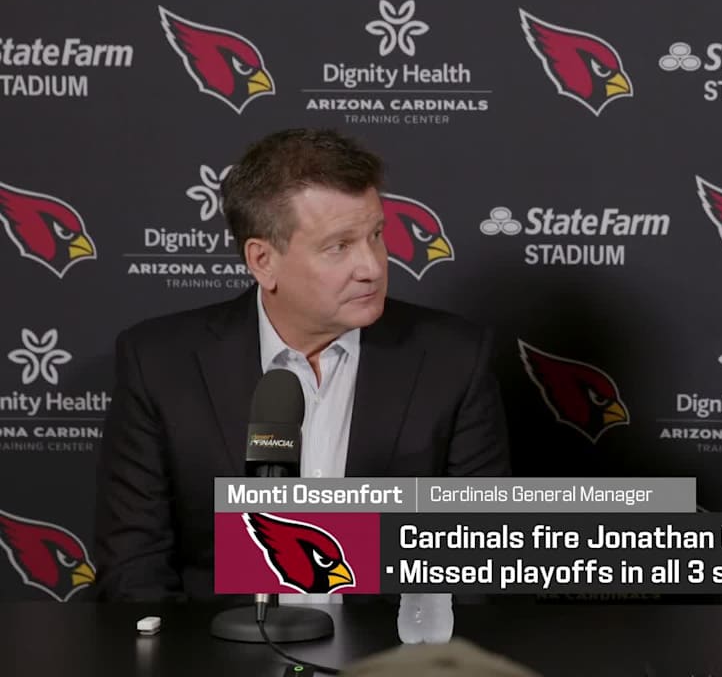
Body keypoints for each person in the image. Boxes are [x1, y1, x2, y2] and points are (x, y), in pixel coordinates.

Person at [93, 128, 510, 601]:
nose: (372, 267)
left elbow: (478, 562)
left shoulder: (454, 359)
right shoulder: (159, 363)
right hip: (216, 639)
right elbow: (134, 569)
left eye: (376, 235)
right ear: (263, 260)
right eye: (339, 246)